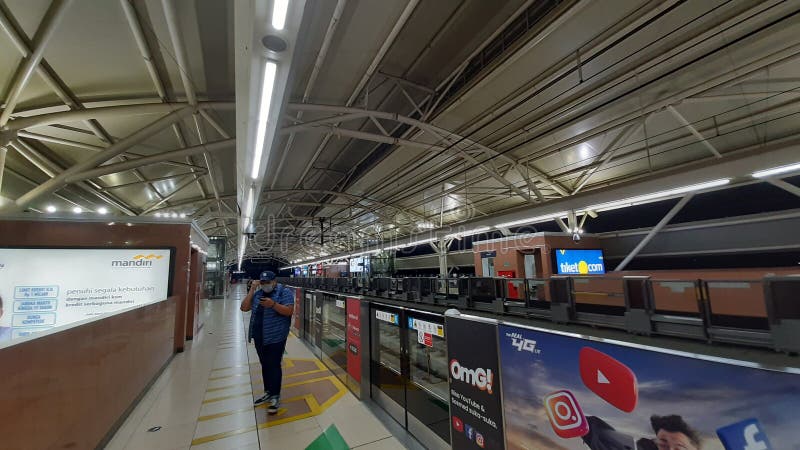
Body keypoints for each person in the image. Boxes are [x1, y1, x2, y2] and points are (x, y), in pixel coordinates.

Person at [240, 270, 294, 414]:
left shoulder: (284, 293)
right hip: (259, 336)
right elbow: (244, 308)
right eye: (262, 282)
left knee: (274, 365)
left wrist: (273, 305)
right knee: (265, 364)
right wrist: (252, 289)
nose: (265, 285)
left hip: (276, 336)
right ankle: (268, 392)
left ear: (274, 282)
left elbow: (289, 311)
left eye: (268, 282)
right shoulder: (258, 294)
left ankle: (275, 396)